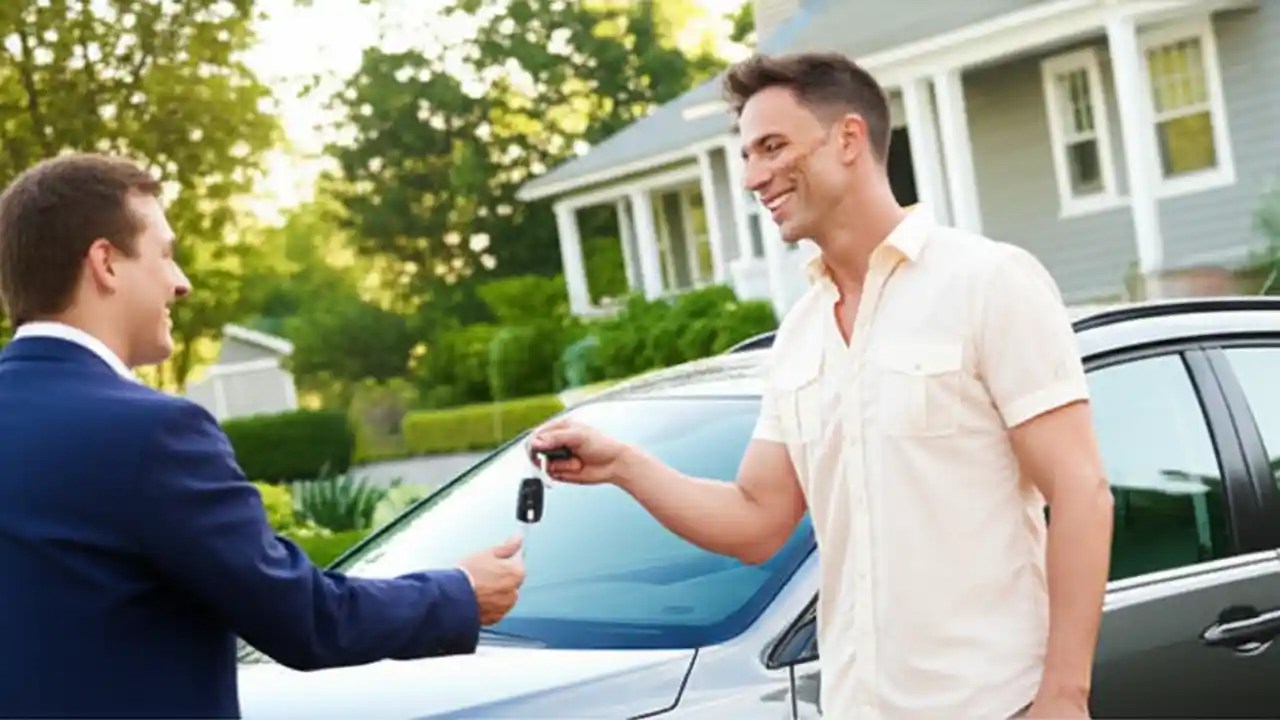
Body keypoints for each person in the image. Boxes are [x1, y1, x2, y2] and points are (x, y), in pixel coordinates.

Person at [529, 52, 1113, 719]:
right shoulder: (803, 331)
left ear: (849, 138)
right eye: (746, 155)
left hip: (992, 704)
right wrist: (625, 466)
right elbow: (755, 519)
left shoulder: (987, 282)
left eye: (772, 147)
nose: (753, 177)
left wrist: (1065, 697)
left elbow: (1081, 492)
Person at [0, 153, 525, 719]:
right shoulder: (151, 432)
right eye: (167, 254)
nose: (182, 283)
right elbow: (301, 618)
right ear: (105, 262)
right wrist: (459, 594)